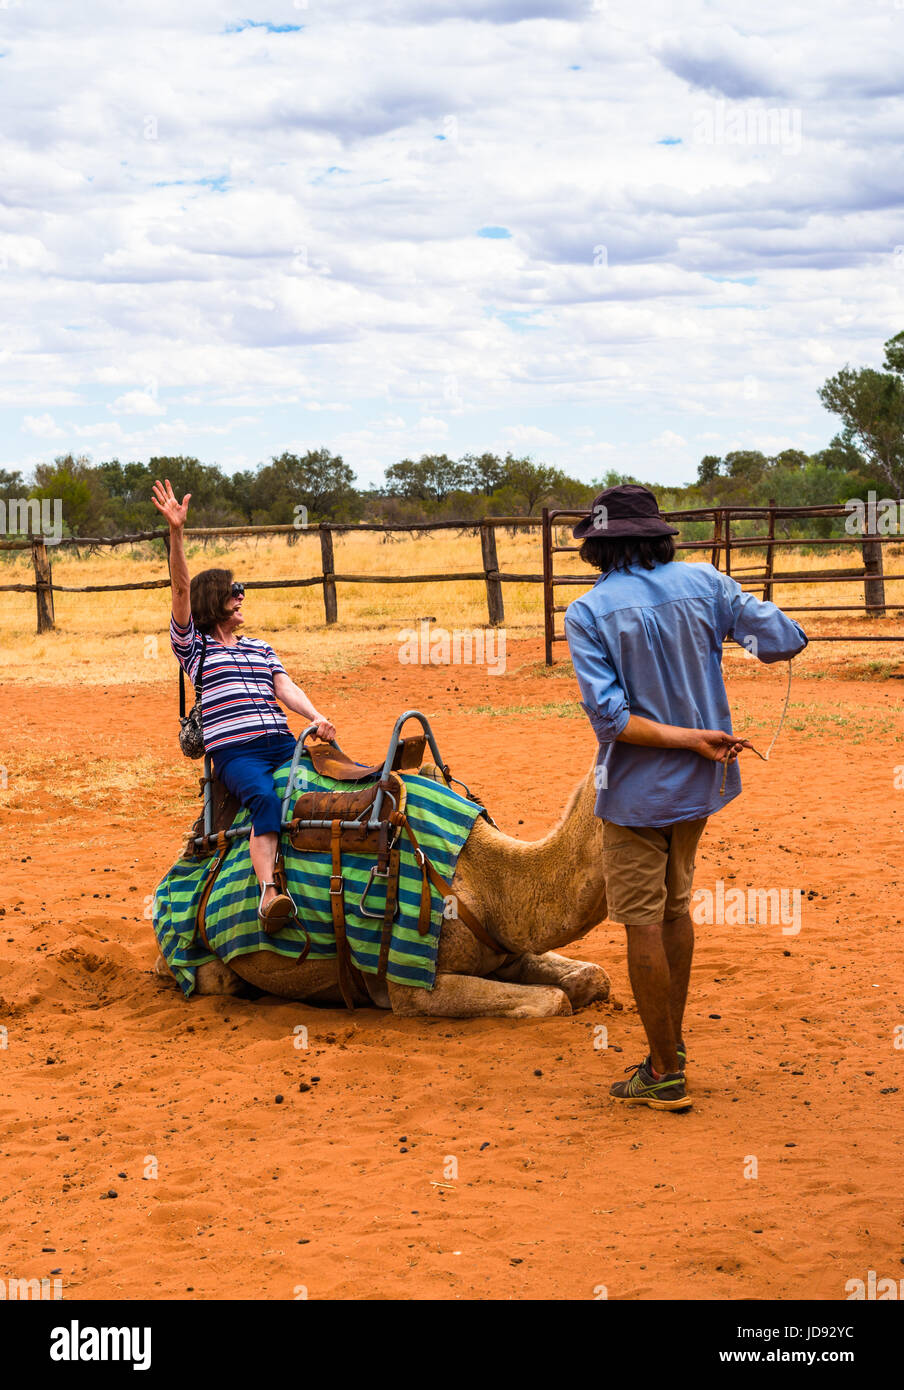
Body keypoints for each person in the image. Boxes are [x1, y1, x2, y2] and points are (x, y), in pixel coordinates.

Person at [564, 484, 807, 1112]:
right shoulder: (707, 582)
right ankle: (667, 1050)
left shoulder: (590, 613)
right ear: (659, 535)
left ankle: (665, 1069)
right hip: (703, 786)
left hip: (634, 790)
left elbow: (612, 721)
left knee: (643, 920)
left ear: (600, 547)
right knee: (676, 907)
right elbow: (786, 639)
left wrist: (684, 738)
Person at [152, 478, 336, 928]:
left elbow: (285, 687)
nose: (242, 597)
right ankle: (268, 894)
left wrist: (315, 716)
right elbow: (179, 591)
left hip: (281, 741)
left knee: (332, 785)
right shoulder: (195, 649)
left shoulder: (258, 646)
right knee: (266, 801)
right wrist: (177, 532)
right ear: (215, 599)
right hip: (236, 753)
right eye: (235, 591)